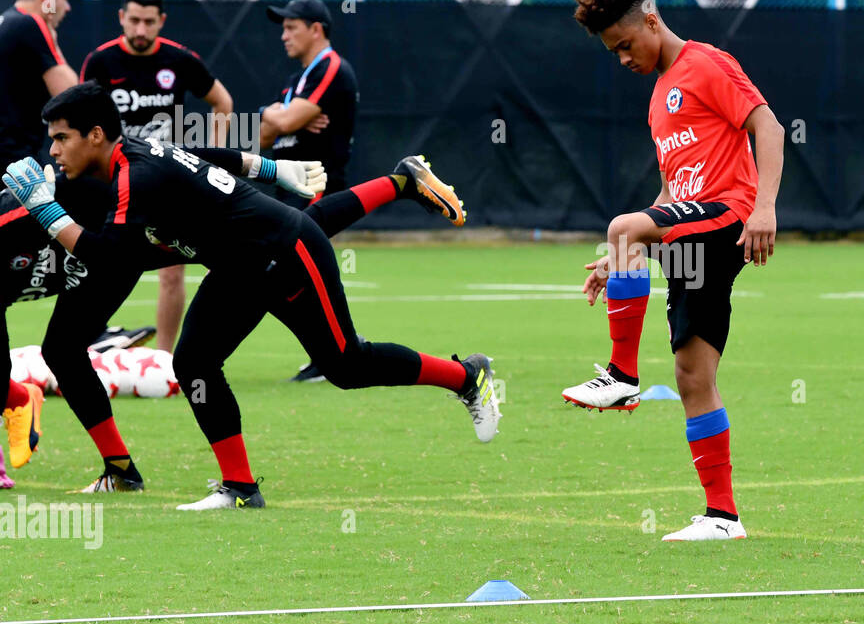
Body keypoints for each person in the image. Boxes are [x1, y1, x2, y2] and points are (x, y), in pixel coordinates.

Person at [3, 83, 496, 509]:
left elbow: (107, 257)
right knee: (193, 361)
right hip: (241, 267)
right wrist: (270, 168)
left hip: (285, 254)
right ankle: (239, 488)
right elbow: (202, 160)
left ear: (94, 135)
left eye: (61, 138)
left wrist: (46, 212)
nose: (54, 151)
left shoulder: (137, 174)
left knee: (347, 365)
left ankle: (466, 376)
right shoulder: (130, 158)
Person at [563, 0, 784, 542]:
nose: (622, 60)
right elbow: (669, 193)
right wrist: (621, 254)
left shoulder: (707, 64)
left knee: (621, 225)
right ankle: (723, 516)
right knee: (692, 375)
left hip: (727, 215)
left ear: (651, 21)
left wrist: (764, 208)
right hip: (690, 235)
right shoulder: (660, 99)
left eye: (625, 45)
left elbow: (769, 125)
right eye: (613, 53)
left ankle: (621, 375)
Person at [79, 0, 236, 353]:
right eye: (133, 20)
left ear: (161, 21)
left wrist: (206, 156)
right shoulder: (100, 61)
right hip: (114, 179)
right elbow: (80, 119)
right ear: (121, 17)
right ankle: (91, 340)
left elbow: (223, 103)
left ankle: (164, 359)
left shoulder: (179, 60)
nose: (140, 30)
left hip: (166, 179)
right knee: (101, 259)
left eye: (149, 22)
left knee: (171, 268)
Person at [259, 0, 362, 382]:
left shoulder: (331, 67)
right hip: (288, 186)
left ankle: (339, 348)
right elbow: (266, 132)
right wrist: (276, 114)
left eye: (291, 27)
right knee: (285, 271)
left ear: (315, 29)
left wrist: (280, 117)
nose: (283, 35)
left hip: (315, 185)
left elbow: (283, 122)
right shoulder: (296, 80)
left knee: (284, 267)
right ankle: (332, 349)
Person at [0, 0, 79, 166]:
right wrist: (53, 41)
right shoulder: (31, 24)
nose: (68, 8)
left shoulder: (7, 22)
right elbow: (71, 95)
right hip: (14, 160)